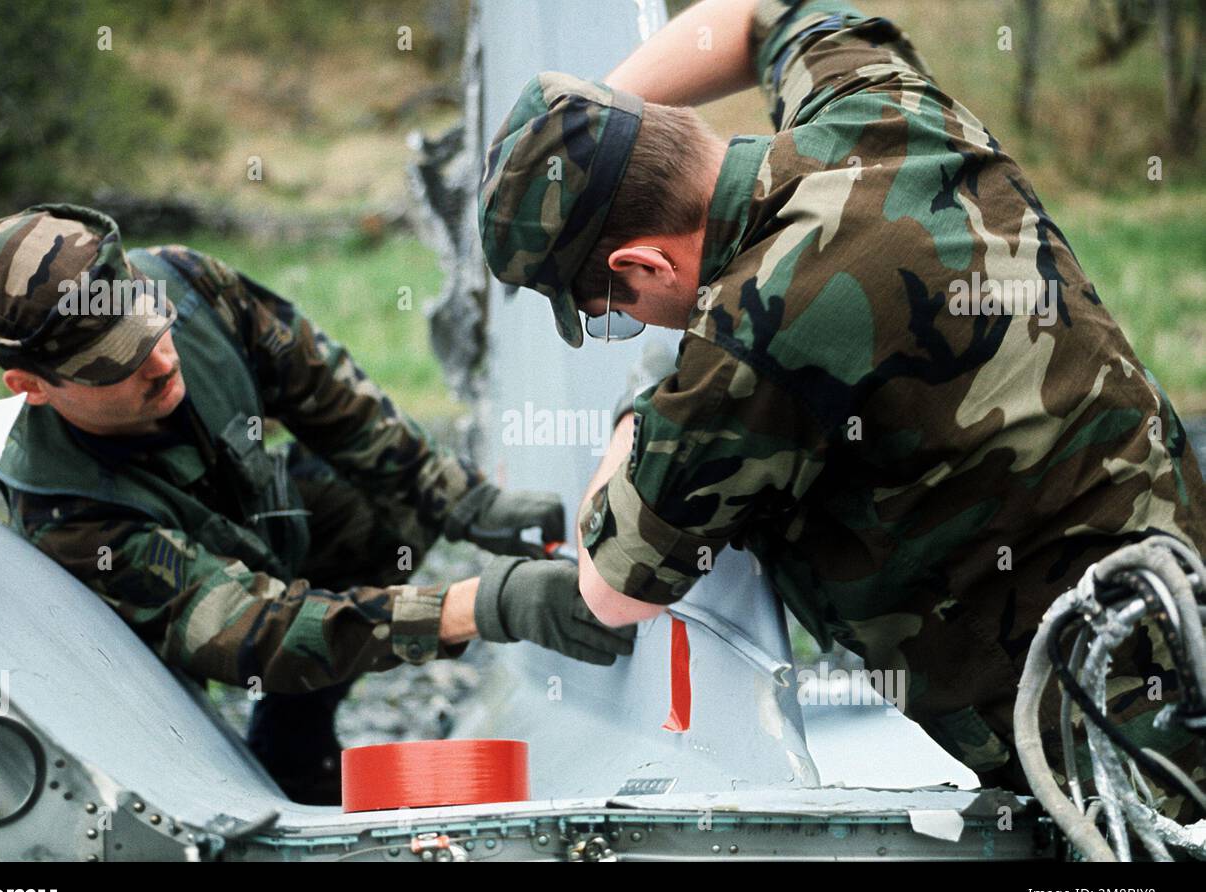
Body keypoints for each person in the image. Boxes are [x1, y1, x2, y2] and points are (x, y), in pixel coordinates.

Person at [477, 0, 1206, 822]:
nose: (629, 325)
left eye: (613, 307)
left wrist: (633, 418)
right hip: (1188, 611)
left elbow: (615, 583)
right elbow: (757, 15)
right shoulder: (877, 106)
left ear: (642, 263)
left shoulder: (747, 343)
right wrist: (594, 124)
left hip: (1124, 765)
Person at [0, 203, 634, 805]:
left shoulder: (191, 285)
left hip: (259, 534)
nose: (160, 362)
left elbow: (327, 393)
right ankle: (247, 786)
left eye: (151, 325)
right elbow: (249, 632)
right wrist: (478, 607)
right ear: (32, 387)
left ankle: (293, 746)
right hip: (179, 668)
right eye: (114, 365)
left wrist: (465, 502)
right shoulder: (66, 514)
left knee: (381, 497)